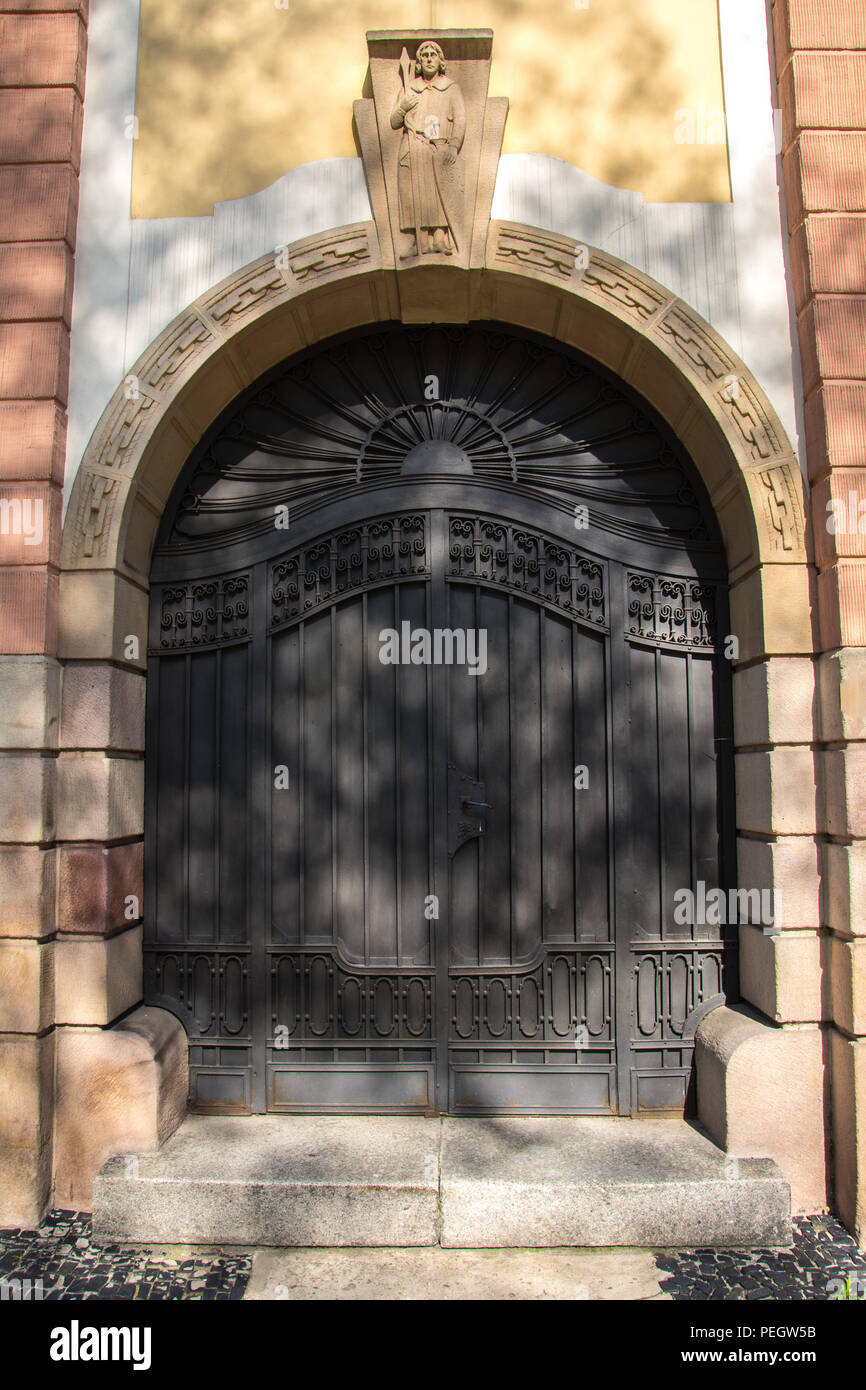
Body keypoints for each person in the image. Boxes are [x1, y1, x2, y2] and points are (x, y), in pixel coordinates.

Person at [390, 40, 466, 257]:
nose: (429, 58)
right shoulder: (410, 89)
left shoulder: (451, 88)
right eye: (424, 56)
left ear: (440, 60)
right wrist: (404, 106)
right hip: (413, 147)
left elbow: (460, 119)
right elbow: (394, 121)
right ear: (419, 62)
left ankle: (441, 237)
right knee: (413, 193)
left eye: (433, 54)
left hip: (438, 147)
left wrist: (454, 146)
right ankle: (418, 240)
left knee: (437, 191)